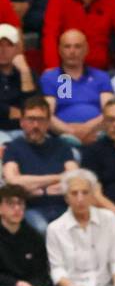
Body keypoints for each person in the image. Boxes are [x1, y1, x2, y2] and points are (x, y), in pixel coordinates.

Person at [1, 96, 77, 234]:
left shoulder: (62, 146)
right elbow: (14, 182)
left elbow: (74, 178)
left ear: (48, 123)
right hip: (31, 209)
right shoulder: (13, 148)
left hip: (63, 206)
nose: (35, 125)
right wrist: (58, 178)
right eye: (31, 119)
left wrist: (39, 189)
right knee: (43, 229)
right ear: (22, 122)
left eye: (41, 120)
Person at [46, 169, 115, 286]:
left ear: (93, 195)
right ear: (66, 197)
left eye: (85, 192)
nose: (80, 198)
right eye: (74, 193)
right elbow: (57, 270)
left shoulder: (109, 219)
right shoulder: (55, 228)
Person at [40, 29, 114, 144]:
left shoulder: (101, 77)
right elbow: (46, 115)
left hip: (98, 135)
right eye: (67, 47)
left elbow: (110, 111)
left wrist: (87, 129)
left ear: (86, 50)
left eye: (77, 46)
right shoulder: (50, 78)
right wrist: (71, 131)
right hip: (63, 138)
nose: (72, 51)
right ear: (59, 50)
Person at [0, 184, 52, 286]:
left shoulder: (34, 237)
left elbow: (41, 271)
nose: (17, 208)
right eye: (10, 204)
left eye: (20, 203)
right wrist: (18, 284)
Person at [0, 25, 36, 141]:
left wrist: (25, 73)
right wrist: (10, 111)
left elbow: (34, 107)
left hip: (27, 131)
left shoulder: (28, 72)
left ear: (18, 48)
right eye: (0, 44)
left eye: (9, 45)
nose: (3, 50)